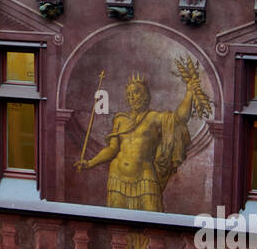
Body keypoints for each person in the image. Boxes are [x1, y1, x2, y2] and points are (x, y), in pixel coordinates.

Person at [75, 61, 212, 211]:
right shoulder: (120, 119)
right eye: (129, 94)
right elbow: (112, 149)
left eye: (137, 92)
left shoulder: (155, 117)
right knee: (117, 225)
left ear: (146, 95)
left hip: (145, 177)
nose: (133, 97)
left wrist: (189, 93)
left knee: (153, 219)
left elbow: (179, 119)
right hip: (117, 178)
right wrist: (90, 163)